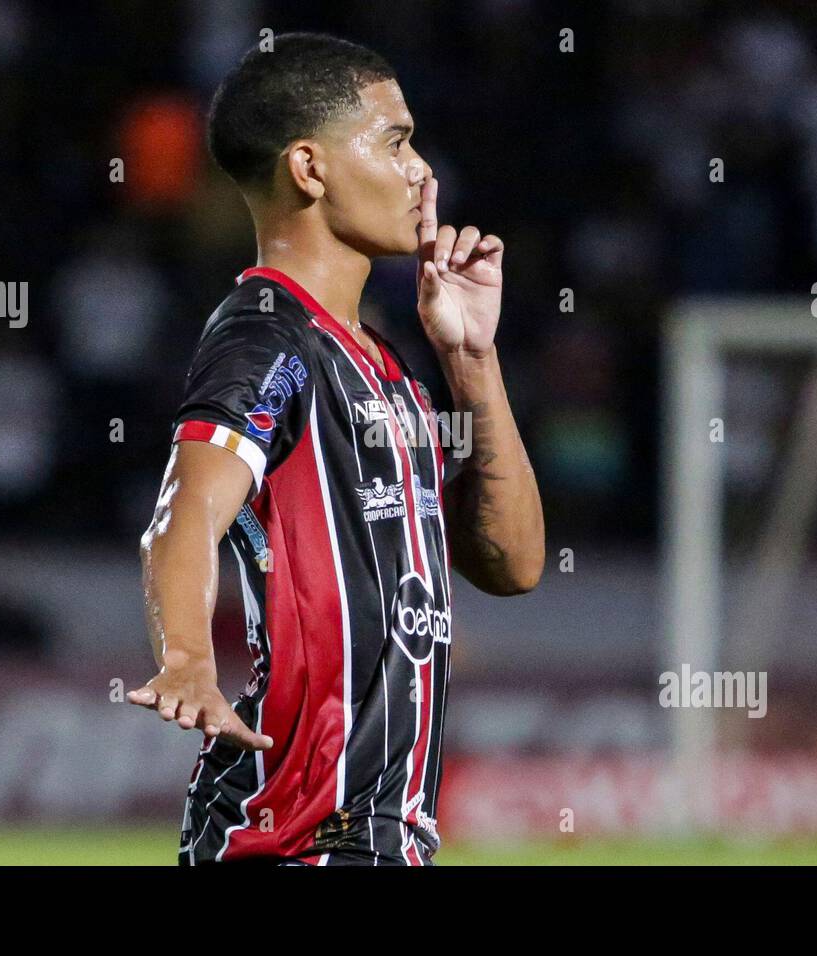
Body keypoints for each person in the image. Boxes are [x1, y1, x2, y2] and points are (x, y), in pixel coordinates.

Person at [129, 32, 544, 865]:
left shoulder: (386, 367)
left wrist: (471, 362)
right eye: (395, 142)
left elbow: (512, 564)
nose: (423, 170)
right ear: (310, 169)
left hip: (384, 837)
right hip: (296, 840)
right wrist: (185, 660)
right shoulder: (266, 338)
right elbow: (186, 511)